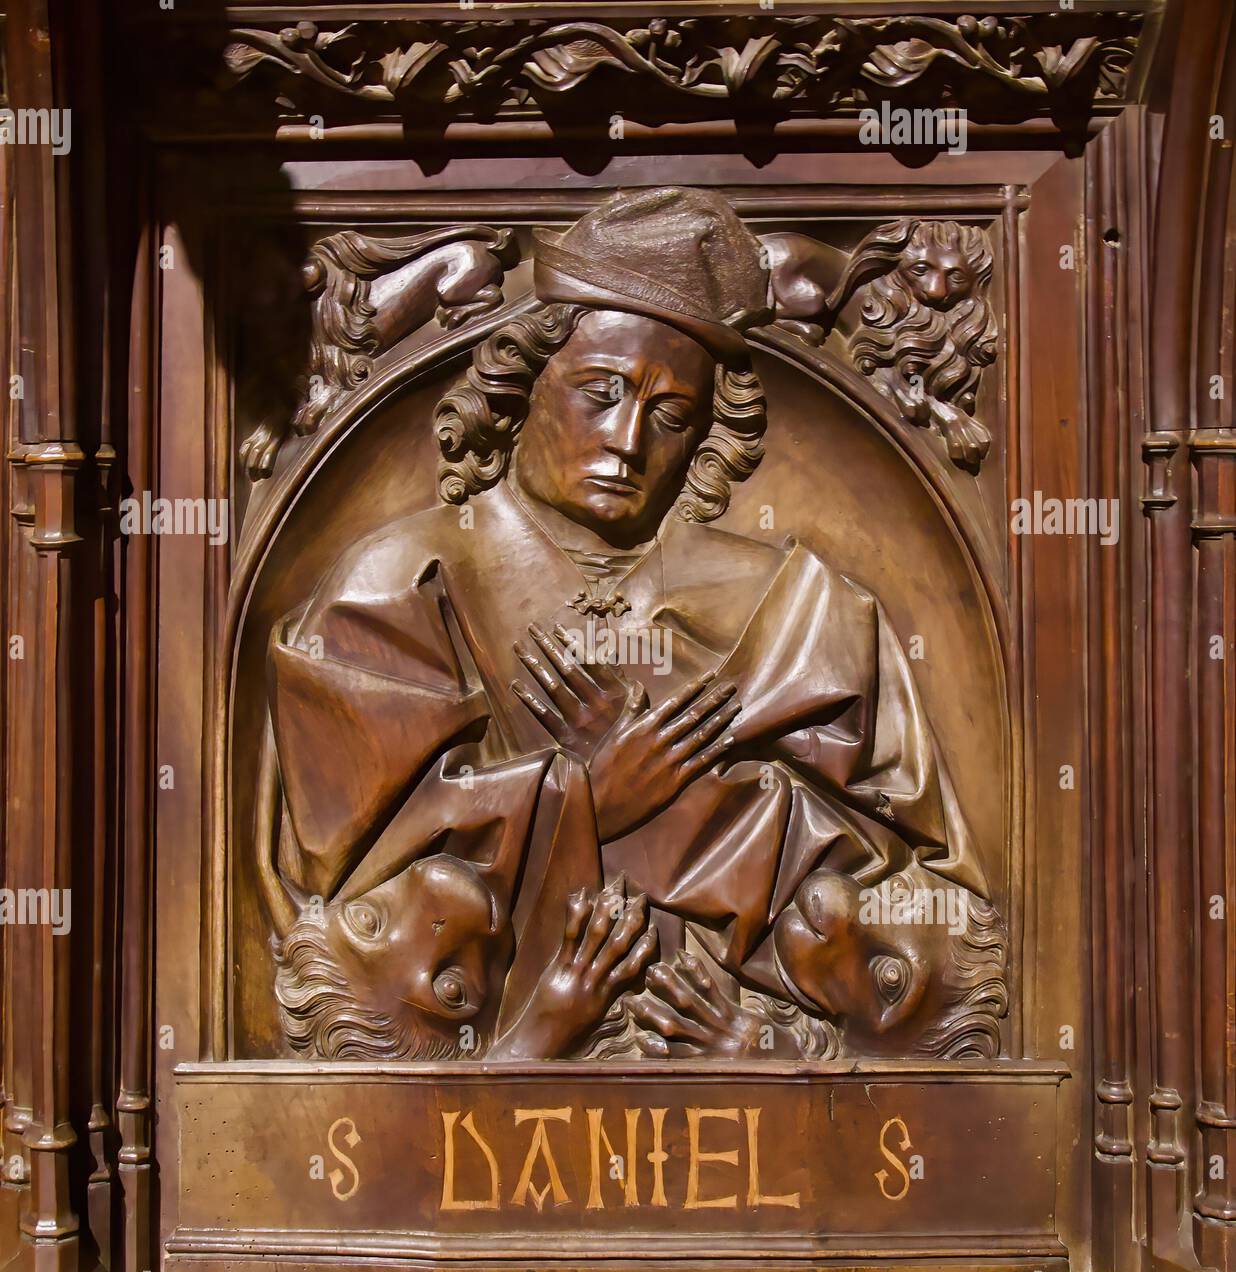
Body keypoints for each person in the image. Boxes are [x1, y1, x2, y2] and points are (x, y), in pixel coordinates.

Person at [260, 186, 1005, 1059]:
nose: (626, 442)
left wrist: (650, 809)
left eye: (671, 415)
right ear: (523, 386)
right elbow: (342, 906)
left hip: (752, 1099)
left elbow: (924, 910)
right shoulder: (396, 588)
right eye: (600, 392)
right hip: (463, 1140)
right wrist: (584, 798)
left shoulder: (800, 611)